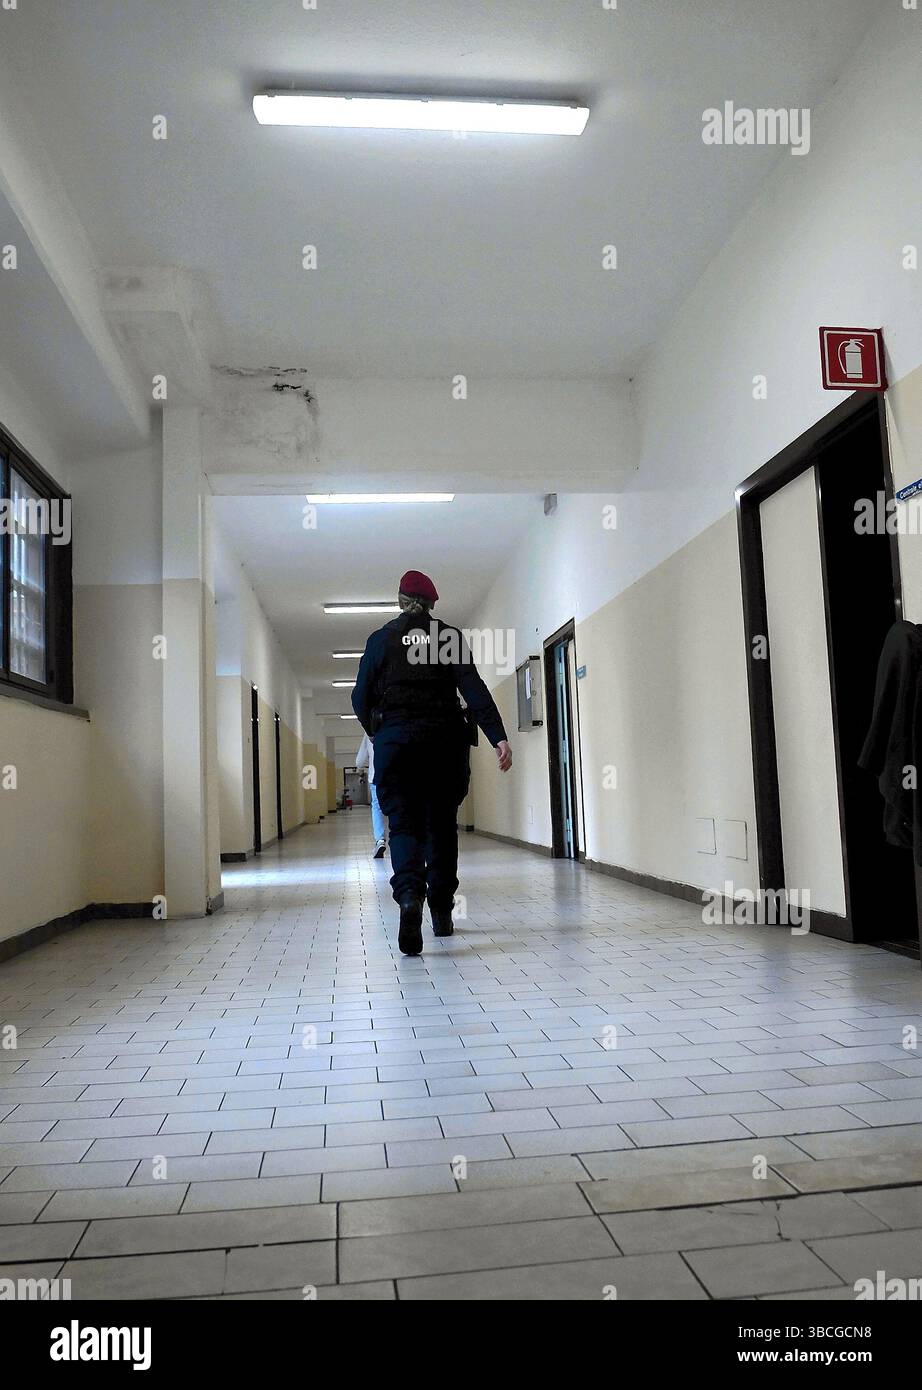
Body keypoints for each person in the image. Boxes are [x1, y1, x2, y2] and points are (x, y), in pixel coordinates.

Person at [352, 569, 512, 955]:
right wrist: (498, 737)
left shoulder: (380, 640)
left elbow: (359, 697)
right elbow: (474, 691)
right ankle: (441, 912)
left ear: (400, 602)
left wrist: (377, 729)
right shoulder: (449, 638)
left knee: (403, 826)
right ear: (432, 605)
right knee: (442, 827)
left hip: (396, 746)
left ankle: (409, 897)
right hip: (443, 745)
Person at [356, 730, 387, 857]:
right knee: (400, 808)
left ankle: (380, 840)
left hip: (376, 777)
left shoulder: (369, 732)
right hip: (397, 777)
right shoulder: (398, 722)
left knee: (377, 807)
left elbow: (359, 761)